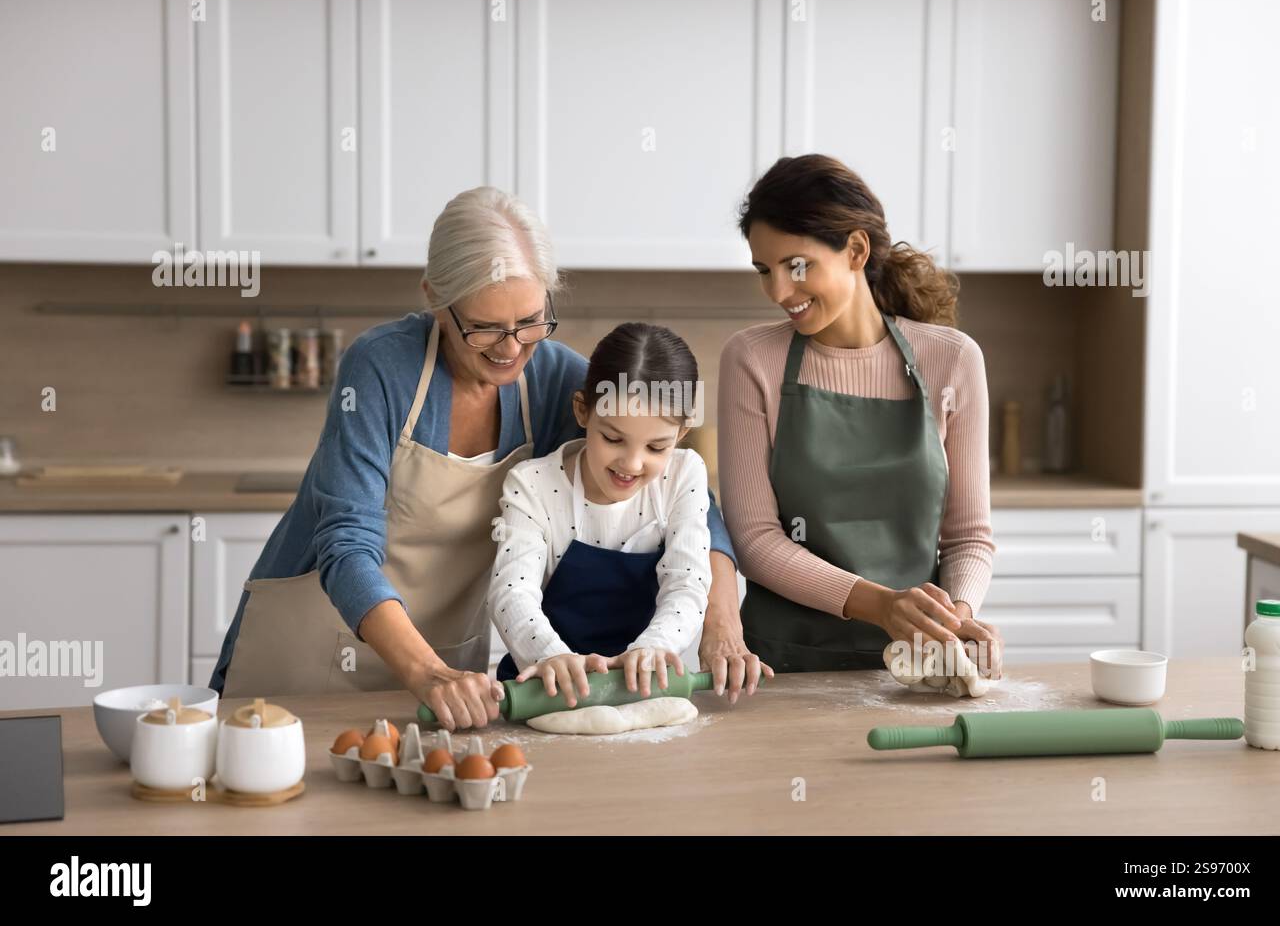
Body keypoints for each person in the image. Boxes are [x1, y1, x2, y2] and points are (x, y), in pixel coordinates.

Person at [211, 187, 762, 727]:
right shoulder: (381, 367)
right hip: (315, 642)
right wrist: (425, 670)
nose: (510, 348)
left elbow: (689, 494)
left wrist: (720, 615)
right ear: (435, 299)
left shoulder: (553, 379)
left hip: (449, 666)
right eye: (484, 329)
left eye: (529, 321)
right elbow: (346, 544)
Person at [718, 155, 1003, 676]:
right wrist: (882, 606)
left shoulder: (953, 359)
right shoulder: (752, 359)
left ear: (855, 250)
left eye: (795, 266)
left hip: (913, 669)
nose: (778, 292)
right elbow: (756, 540)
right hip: (783, 668)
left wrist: (953, 620)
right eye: (764, 270)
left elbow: (968, 536)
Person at [485, 323, 715, 709]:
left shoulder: (683, 475)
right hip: (546, 693)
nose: (632, 463)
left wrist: (653, 649)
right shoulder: (533, 485)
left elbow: (687, 583)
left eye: (657, 446)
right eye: (612, 438)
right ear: (583, 411)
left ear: (682, 432)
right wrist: (551, 657)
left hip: (641, 691)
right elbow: (510, 592)